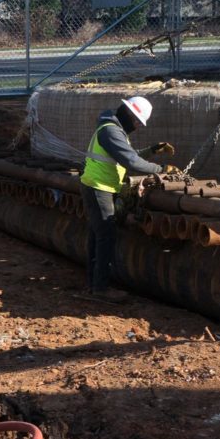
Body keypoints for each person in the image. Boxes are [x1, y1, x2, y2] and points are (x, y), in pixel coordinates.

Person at [78, 95, 164, 301]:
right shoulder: (110, 131)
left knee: (96, 236)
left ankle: (93, 283)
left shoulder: (115, 129)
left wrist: (151, 151)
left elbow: (127, 154)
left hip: (99, 186)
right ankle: (100, 289)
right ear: (128, 113)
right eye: (136, 121)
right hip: (99, 187)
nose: (137, 126)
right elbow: (131, 161)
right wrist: (161, 169)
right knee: (105, 237)